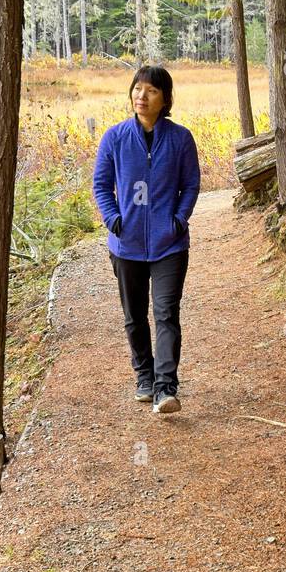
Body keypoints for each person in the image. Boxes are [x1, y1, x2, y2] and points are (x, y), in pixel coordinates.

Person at [92, 65, 201, 414]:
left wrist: (178, 220)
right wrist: (113, 220)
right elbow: (101, 185)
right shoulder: (115, 138)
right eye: (138, 89)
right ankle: (144, 376)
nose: (142, 96)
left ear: (165, 99)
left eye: (151, 90)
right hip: (127, 245)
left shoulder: (180, 138)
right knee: (134, 316)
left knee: (167, 313)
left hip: (169, 244)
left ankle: (165, 387)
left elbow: (191, 185)